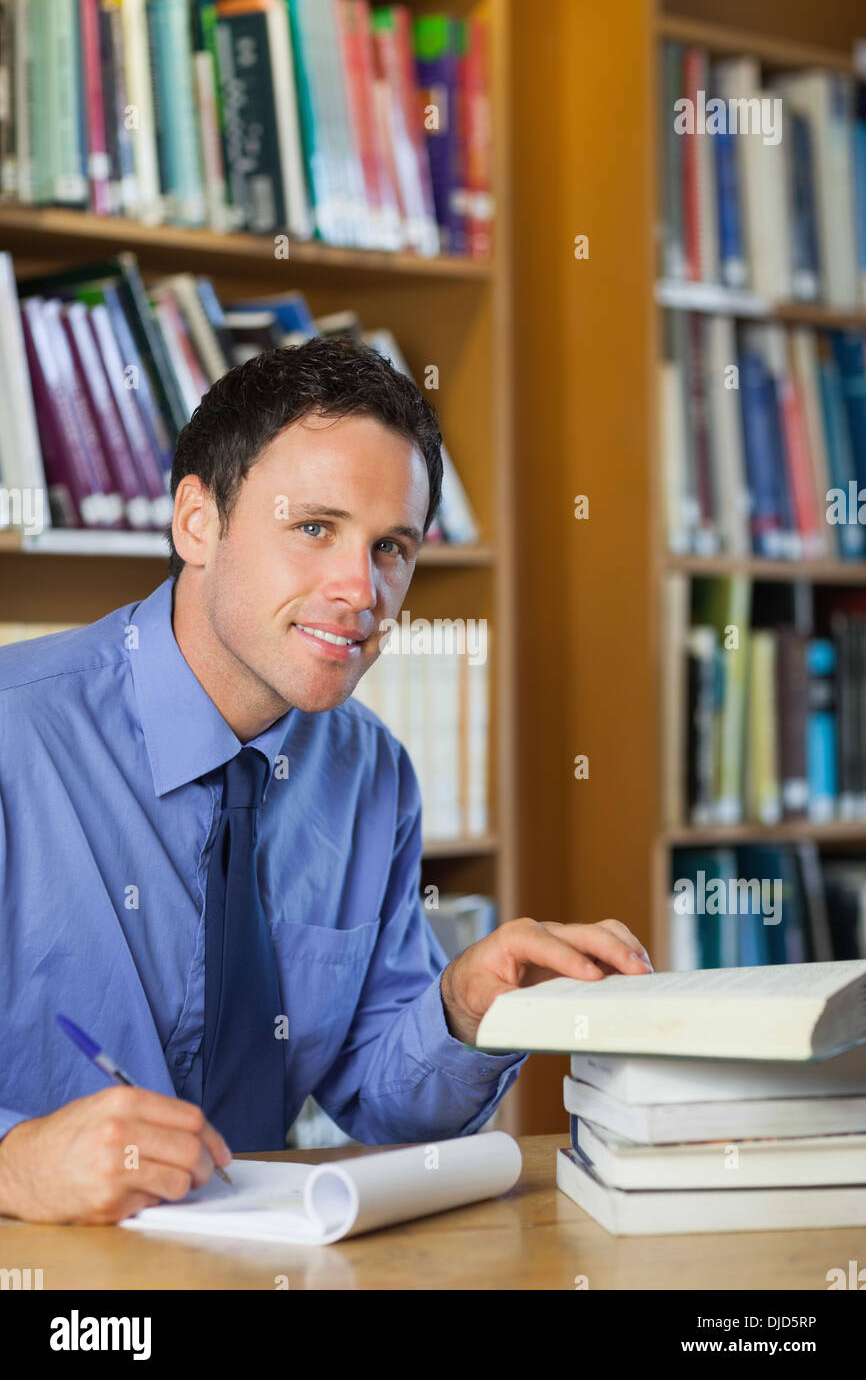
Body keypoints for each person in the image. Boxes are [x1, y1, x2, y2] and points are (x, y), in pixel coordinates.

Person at [0, 337, 652, 1224]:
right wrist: (14, 1166)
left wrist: (461, 1011)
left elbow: (378, 1106)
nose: (361, 589)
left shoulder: (369, 774)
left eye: (391, 546)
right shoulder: (14, 736)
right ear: (196, 522)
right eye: (315, 528)